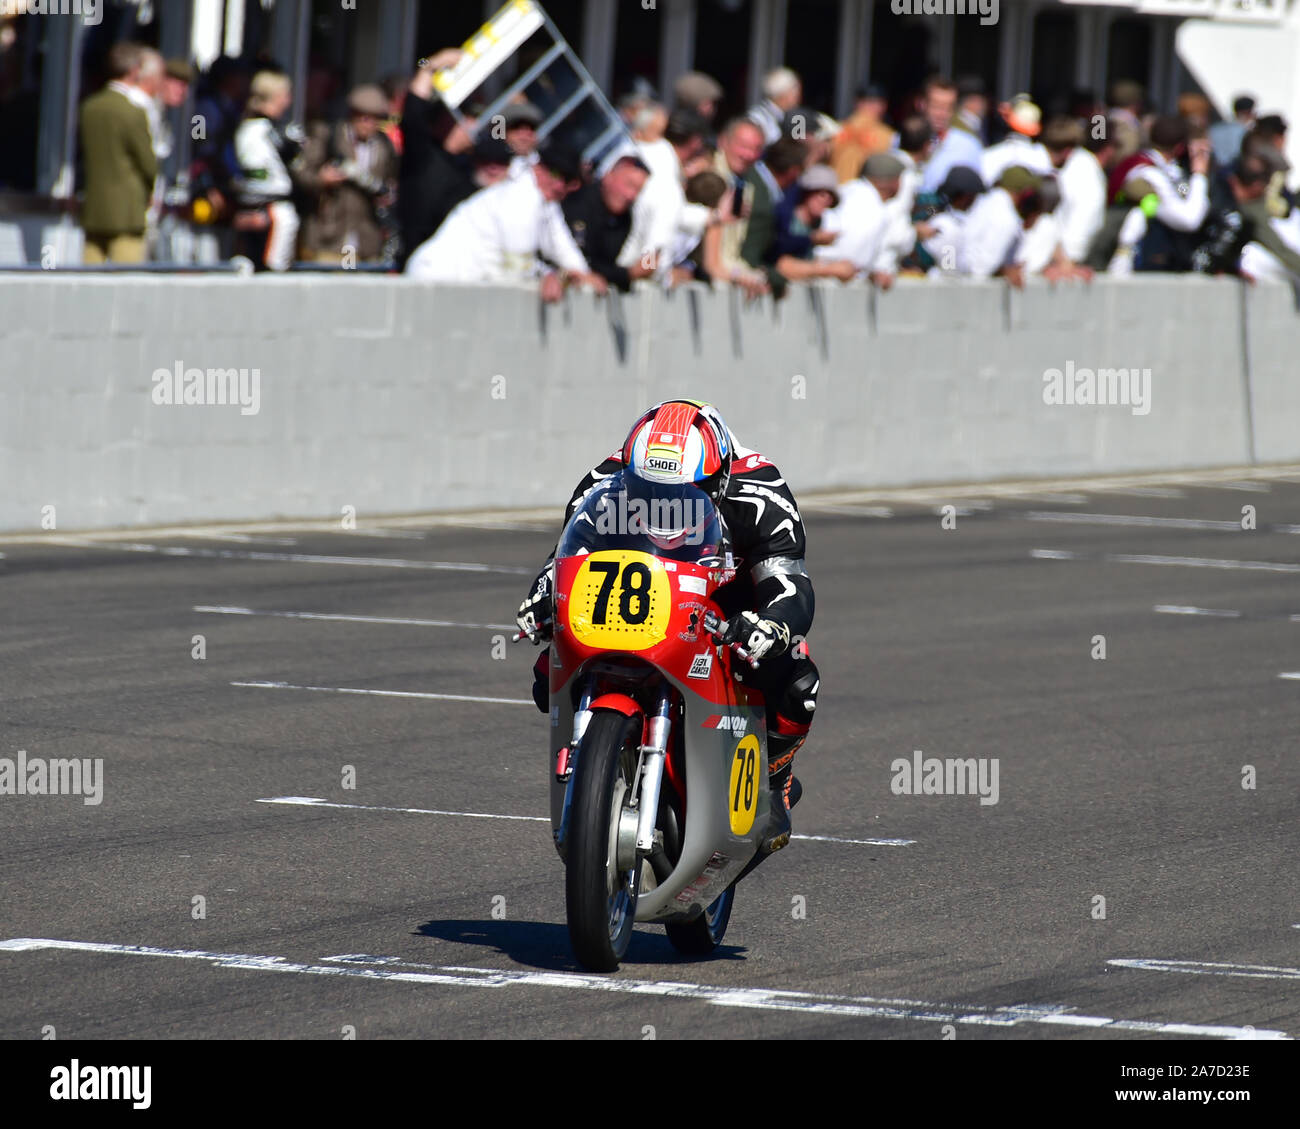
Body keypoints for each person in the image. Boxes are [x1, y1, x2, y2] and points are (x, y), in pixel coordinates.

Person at [516, 400, 819, 855]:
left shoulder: (760, 492)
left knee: (798, 683)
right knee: (546, 675)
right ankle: (592, 769)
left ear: (716, 483)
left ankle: (774, 778)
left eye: (679, 497)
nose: (662, 509)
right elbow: (566, 553)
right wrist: (542, 595)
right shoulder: (606, 479)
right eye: (647, 492)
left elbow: (789, 580)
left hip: (724, 608)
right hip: (636, 600)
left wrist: (772, 624)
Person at [403, 138, 603, 301]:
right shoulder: (520, 197)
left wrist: (583, 274)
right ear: (538, 167)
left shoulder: (544, 201)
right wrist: (554, 275)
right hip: (436, 277)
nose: (560, 185)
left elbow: (561, 244)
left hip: (457, 287)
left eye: (568, 180)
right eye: (554, 174)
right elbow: (517, 266)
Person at [297, 84, 398, 263]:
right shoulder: (330, 137)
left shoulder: (384, 147)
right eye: (364, 118)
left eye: (375, 119)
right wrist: (321, 179)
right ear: (353, 115)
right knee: (332, 284)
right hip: (329, 234)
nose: (369, 124)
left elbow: (390, 183)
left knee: (356, 284)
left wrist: (386, 196)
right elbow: (301, 173)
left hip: (365, 238)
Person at [79, 42, 157, 264]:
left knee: (89, 277)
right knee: (125, 281)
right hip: (127, 211)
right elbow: (147, 163)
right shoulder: (132, 111)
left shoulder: (90, 107)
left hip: (94, 207)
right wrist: (149, 191)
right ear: (134, 71)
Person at [232, 70, 302, 271]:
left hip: (254, 207)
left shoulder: (245, 128)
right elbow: (259, 173)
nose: (288, 101)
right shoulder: (268, 131)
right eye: (286, 95)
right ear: (276, 96)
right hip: (272, 211)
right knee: (271, 271)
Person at [1193, 148, 1300, 279]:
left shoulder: (1210, 189)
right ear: (1257, 186)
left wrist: (1232, 268)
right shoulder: (1246, 212)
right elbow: (1280, 250)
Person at [562, 154, 651, 291]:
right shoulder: (579, 204)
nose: (631, 195)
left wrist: (645, 266)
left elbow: (650, 252)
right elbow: (581, 258)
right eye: (629, 185)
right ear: (608, 176)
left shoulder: (627, 218)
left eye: (638, 190)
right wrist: (628, 274)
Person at [817, 152, 904, 286]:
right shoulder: (873, 208)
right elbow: (852, 253)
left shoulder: (847, 189)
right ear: (894, 182)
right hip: (833, 280)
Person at [959, 165, 1045, 285]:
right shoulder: (1006, 218)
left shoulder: (986, 202)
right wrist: (1006, 271)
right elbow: (982, 269)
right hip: (971, 291)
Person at [830, 82, 894, 184]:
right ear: (883, 106)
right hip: (864, 193)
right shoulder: (887, 135)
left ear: (856, 103)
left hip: (835, 190)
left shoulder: (836, 129)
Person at [748, 67, 802, 146]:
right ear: (783, 93)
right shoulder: (757, 118)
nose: (798, 97)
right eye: (795, 92)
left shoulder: (793, 118)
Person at [1209, 95, 1255, 167]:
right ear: (1249, 112)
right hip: (1235, 172)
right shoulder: (1246, 133)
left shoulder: (1215, 129)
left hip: (1216, 172)